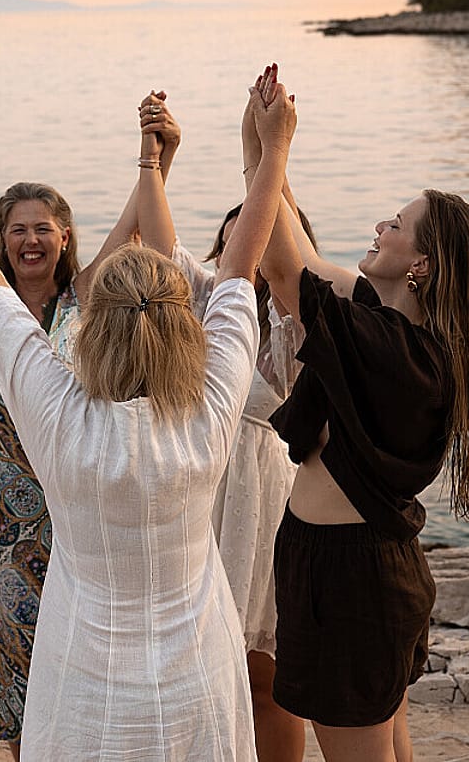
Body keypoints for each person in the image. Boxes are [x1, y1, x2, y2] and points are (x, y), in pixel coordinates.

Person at [0, 75, 297, 760]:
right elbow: (240, 272)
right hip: (197, 678)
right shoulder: (211, 408)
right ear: (186, 328)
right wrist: (273, 148)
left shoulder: (55, 409)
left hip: (81, 686)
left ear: (91, 332)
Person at [0, 54, 180, 757]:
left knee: (73, 659)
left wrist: (156, 153)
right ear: (0, 241)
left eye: (44, 228)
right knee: (8, 657)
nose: (30, 239)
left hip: (72, 509)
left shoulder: (87, 297)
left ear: (65, 238)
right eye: (17, 229)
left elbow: (141, 228)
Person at [250, 65, 469, 762]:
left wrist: (275, 147)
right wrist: (261, 134)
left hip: (353, 580)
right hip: (347, 567)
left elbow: (277, 265)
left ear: (421, 263)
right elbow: (285, 235)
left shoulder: (395, 350)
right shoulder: (379, 320)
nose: (380, 225)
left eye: (397, 222)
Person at [176, 197, 316, 762]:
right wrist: (154, 164)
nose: (247, 253)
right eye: (235, 241)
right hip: (203, 493)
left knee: (268, 678)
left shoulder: (300, 321)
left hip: (266, 501)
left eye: (260, 239)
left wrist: (268, 150)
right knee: (200, 672)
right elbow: (165, 248)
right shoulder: (206, 307)